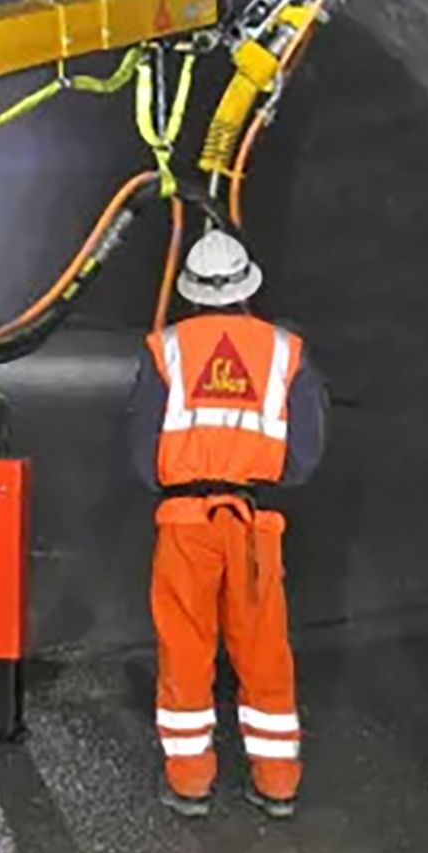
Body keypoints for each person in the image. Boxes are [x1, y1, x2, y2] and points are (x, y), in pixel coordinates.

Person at [124, 229, 328, 819]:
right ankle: (277, 784)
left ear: (190, 292)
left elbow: (142, 452)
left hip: (184, 521)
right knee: (264, 651)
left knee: (185, 648)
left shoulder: (166, 349)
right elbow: (305, 454)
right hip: (254, 521)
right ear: (246, 288)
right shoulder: (287, 351)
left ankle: (189, 784)